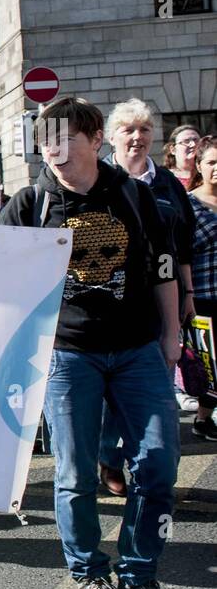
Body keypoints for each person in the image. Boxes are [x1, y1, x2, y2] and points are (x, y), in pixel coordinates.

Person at [0, 95, 183, 589]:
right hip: (67, 356)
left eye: (64, 138)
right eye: (44, 140)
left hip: (137, 350)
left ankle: (140, 574)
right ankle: (90, 577)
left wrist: (171, 337)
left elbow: (164, 271)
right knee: (76, 472)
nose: (53, 150)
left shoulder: (134, 196)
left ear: (95, 139)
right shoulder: (29, 204)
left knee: (157, 464)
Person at [98, 99, 194, 496]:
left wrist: (186, 294)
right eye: (128, 130)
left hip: (162, 297)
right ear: (111, 137)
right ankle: (110, 458)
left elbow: (181, 244)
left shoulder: (167, 183)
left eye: (144, 130)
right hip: (111, 304)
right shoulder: (99, 179)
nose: (137, 138)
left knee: (154, 385)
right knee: (110, 392)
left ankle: (148, 463)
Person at [186, 143, 217, 440]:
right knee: (211, 365)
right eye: (211, 162)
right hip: (204, 297)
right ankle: (202, 417)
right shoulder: (188, 203)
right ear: (199, 166)